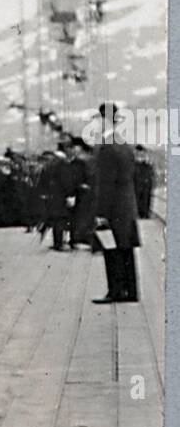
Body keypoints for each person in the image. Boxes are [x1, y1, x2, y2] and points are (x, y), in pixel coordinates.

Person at [93, 102, 141, 303]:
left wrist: (101, 212)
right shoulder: (124, 145)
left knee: (112, 249)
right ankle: (131, 291)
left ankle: (116, 291)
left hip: (113, 208)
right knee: (126, 248)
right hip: (126, 206)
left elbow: (106, 184)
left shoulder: (107, 147)